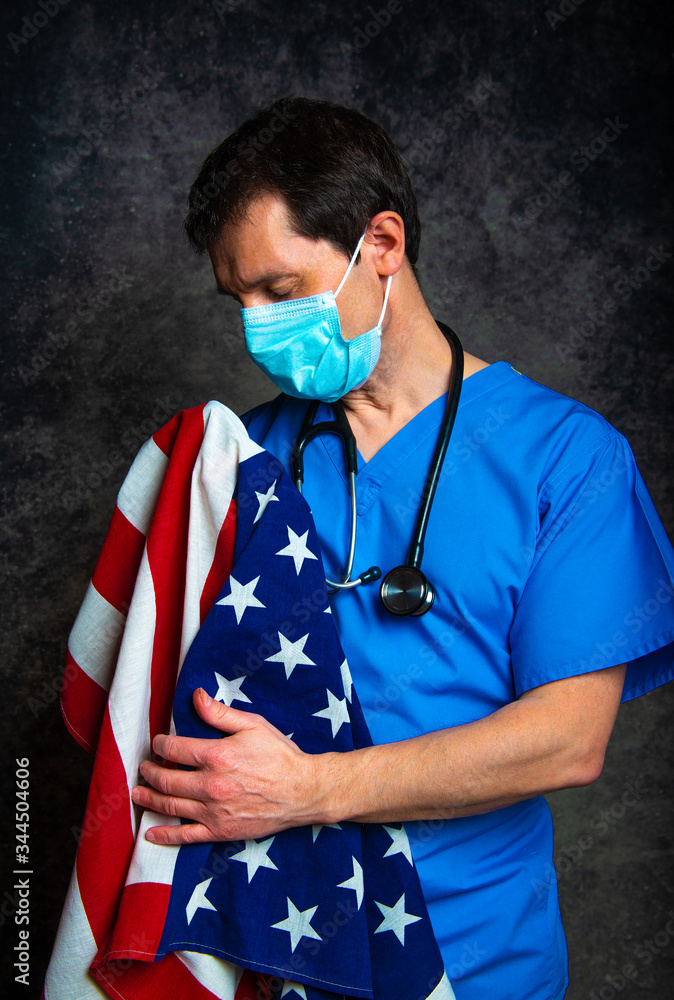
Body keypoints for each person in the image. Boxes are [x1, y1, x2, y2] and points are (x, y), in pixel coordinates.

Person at [130, 96, 674, 999]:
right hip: (274, 948)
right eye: (240, 302)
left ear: (380, 244)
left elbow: (568, 742)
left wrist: (309, 789)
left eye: (280, 290)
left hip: (475, 960)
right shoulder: (239, 459)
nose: (257, 330)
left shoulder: (566, 458)